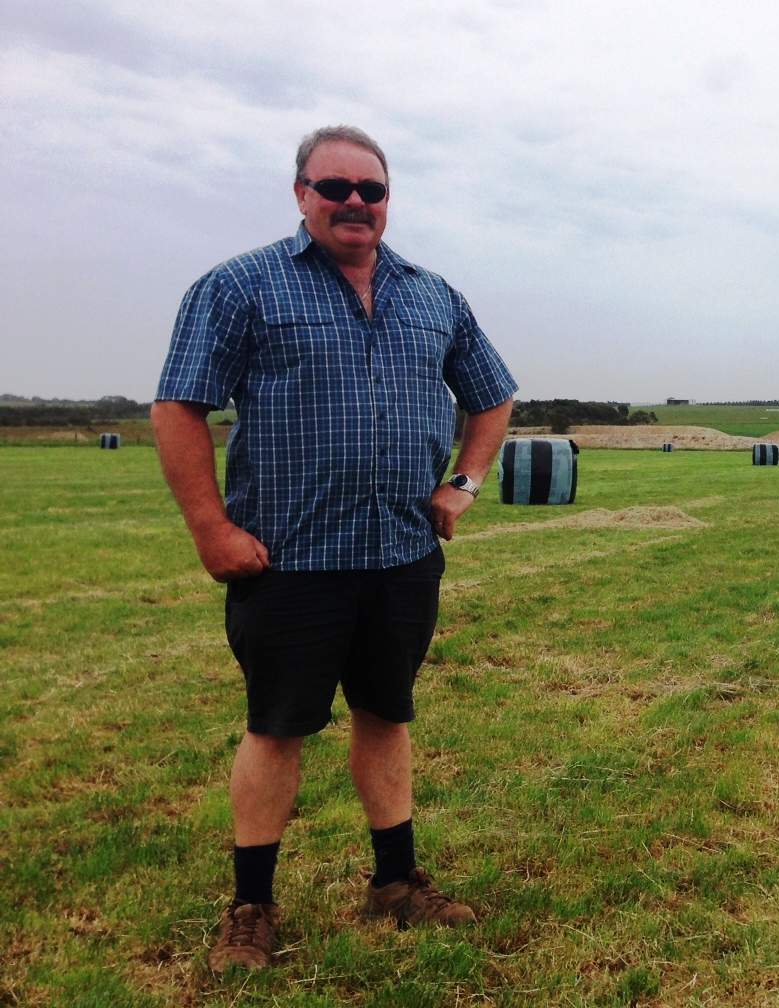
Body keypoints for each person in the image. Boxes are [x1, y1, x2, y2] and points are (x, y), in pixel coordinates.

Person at [152, 125, 516, 973]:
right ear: (301, 193)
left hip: (399, 554)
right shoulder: (241, 286)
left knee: (387, 716)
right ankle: (251, 907)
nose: (355, 203)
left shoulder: (433, 295)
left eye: (372, 190)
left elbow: (492, 397)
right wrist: (210, 528)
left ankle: (395, 882)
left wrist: (461, 485)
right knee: (277, 728)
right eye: (335, 188)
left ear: (389, 200)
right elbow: (179, 406)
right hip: (289, 561)